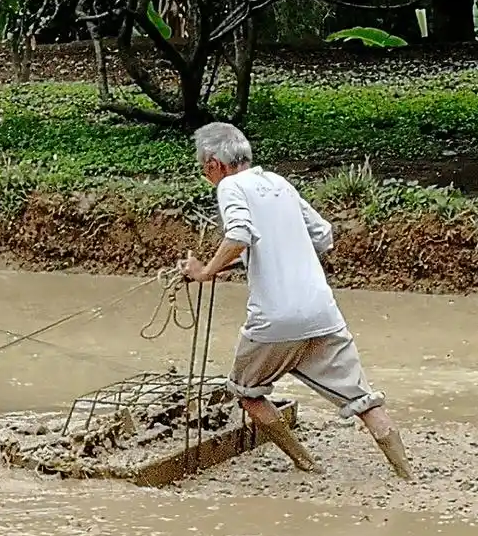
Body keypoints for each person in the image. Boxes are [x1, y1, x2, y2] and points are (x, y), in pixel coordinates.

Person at [177, 122, 413, 481]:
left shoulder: (230, 186)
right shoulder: (278, 183)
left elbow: (239, 234)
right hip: (323, 313)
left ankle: (307, 464)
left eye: (203, 169)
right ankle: (406, 475)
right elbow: (322, 235)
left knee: (247, 392)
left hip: (275, 319)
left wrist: (205, 271)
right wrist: (271, 261)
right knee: (363, 400)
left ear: (213, 165)